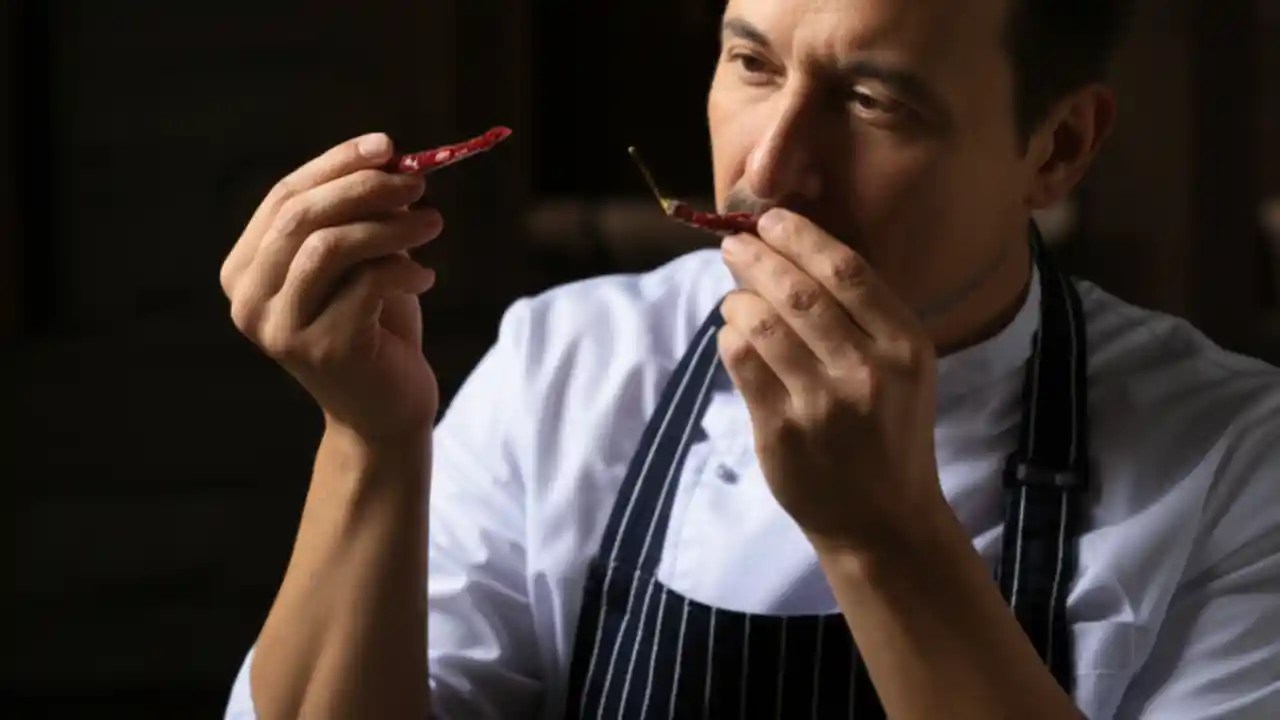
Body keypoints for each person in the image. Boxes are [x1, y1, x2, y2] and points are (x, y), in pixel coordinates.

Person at [221, 0, 1280, 717]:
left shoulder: (1236, 461)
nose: (769, 168)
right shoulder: (572, 365)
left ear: (1053, 149)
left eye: (872, 102)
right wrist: (368, 438)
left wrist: (881, 533)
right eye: (750, 64)